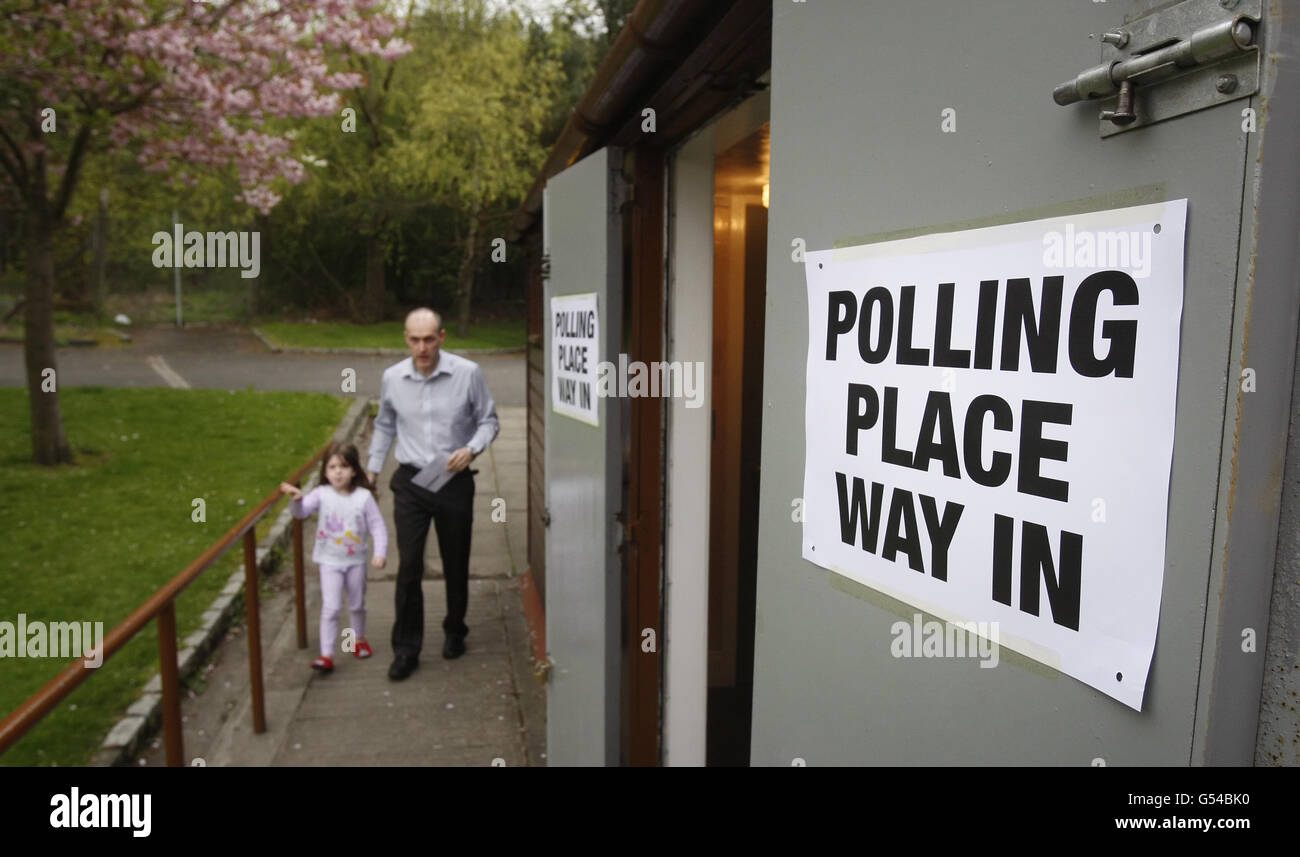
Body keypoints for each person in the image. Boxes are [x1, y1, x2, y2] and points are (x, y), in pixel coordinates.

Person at [366, 307, 499, 681]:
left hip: (453, 478)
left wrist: (471, 448)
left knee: (455, 561)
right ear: (405, 339)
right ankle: (406, 649)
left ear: (442, 337)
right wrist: (373, 468)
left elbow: (489, 420)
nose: (422, 347)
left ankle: (455, 629)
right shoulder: (393, 378)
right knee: (409, 566)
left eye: (429, 339)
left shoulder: (468, 373)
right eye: (414, 340)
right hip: (411, 481)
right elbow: (385, 424)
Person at [280, 442, 388, 673]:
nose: (338, 472)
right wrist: (296, 499)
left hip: (356, 561)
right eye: (332, 467)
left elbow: (378, 526)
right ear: (325, 472)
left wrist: (380, 552)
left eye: (344, 466)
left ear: (354, 470)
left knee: (356, 604)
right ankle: (327, 654)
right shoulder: (321, 494)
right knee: (331, 607)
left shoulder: (363, 497)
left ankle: (355, 640)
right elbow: (301, 513)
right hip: (329, 562)